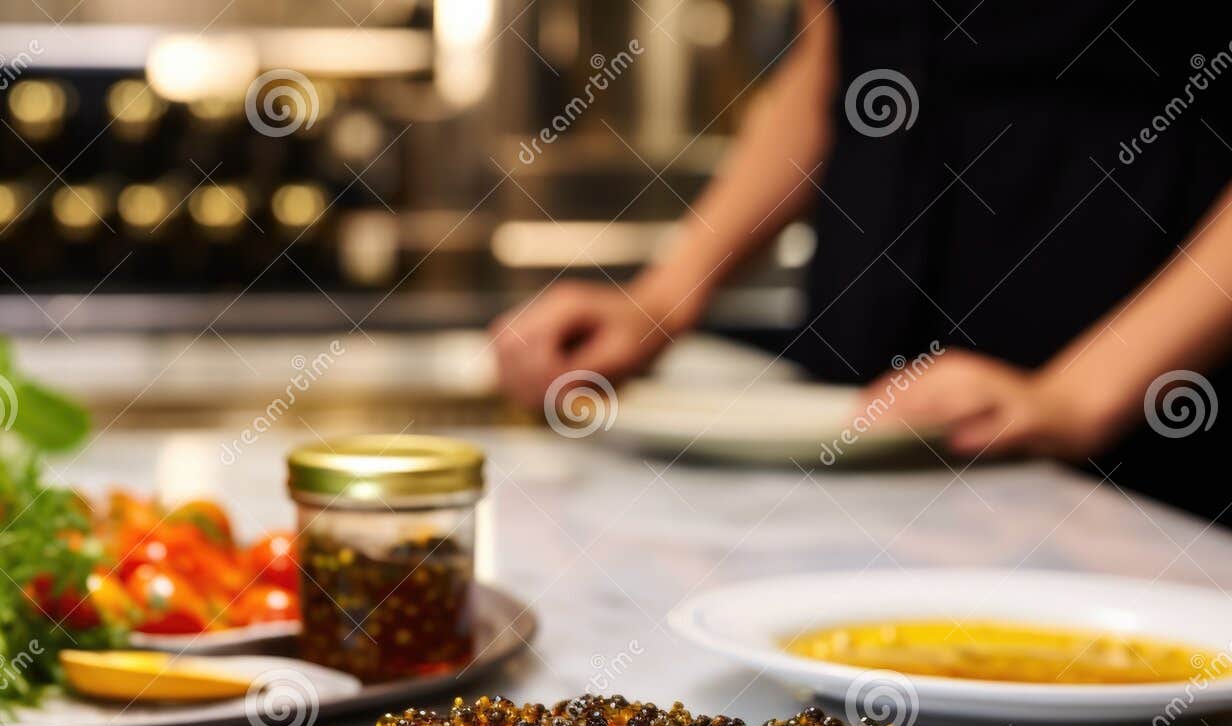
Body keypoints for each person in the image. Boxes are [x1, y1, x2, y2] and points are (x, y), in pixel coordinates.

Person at [492, 1, 1232, 521]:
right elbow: (834, 61)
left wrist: (1079, 397)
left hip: (1142, 424)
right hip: (864, 380)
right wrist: (663, 298)